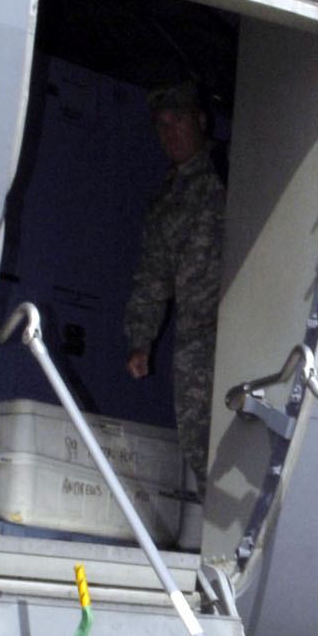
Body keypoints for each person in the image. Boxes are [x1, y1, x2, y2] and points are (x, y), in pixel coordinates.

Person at [123, 80, 225, 486]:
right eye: (162, 125)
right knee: (199, 438)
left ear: (201, 121)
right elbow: (153, 273)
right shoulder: (168, 197)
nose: (170, 132)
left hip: (240, 324)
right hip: (197, 337)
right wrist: (141, 338)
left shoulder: (231, 170)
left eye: (178, 120)